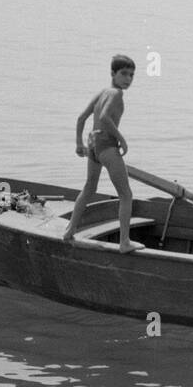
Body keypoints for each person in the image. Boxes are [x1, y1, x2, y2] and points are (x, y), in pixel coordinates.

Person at [62, 55, 144, 253]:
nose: (128, 79)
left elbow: (81, 118)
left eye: (132, 75)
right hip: (107, 146)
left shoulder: (102, 92)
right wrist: (121, 139)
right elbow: (106, 117)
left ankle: (70, 229)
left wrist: (79, 143)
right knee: (126, 194)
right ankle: (124, 242)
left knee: (89, 188)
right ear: (113, 74)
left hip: (93, 147)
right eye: (124, 74)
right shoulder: (116, 94)